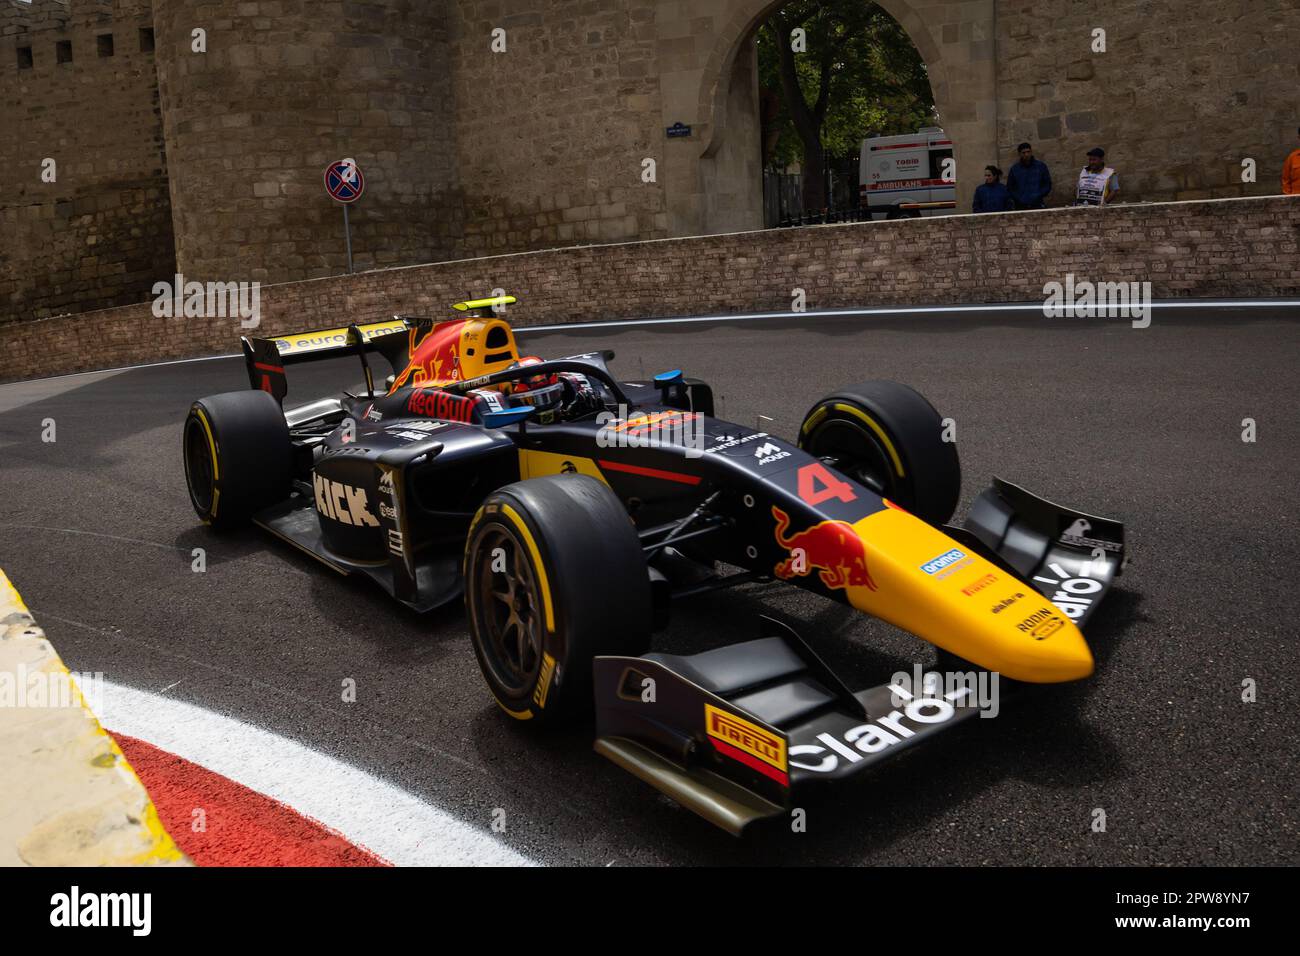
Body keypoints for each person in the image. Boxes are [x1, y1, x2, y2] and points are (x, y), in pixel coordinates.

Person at [1007, 141, 1052, 209]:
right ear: (1019, 154)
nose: (1026, 154)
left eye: (1028, 152)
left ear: (1031, 152)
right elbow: (1010, 187)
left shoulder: (1041, 166)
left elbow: (1047, 184)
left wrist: (1038, 195)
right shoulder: (1014, 169)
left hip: (1038, 203)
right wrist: (1019, 198)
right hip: (1020, 205)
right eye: (1024, 153)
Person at [1283, 128, 1300, 195]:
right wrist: (1290, 199)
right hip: (1296, 203)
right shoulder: (1292, 158)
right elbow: (1286, 181)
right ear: (1299, 138)